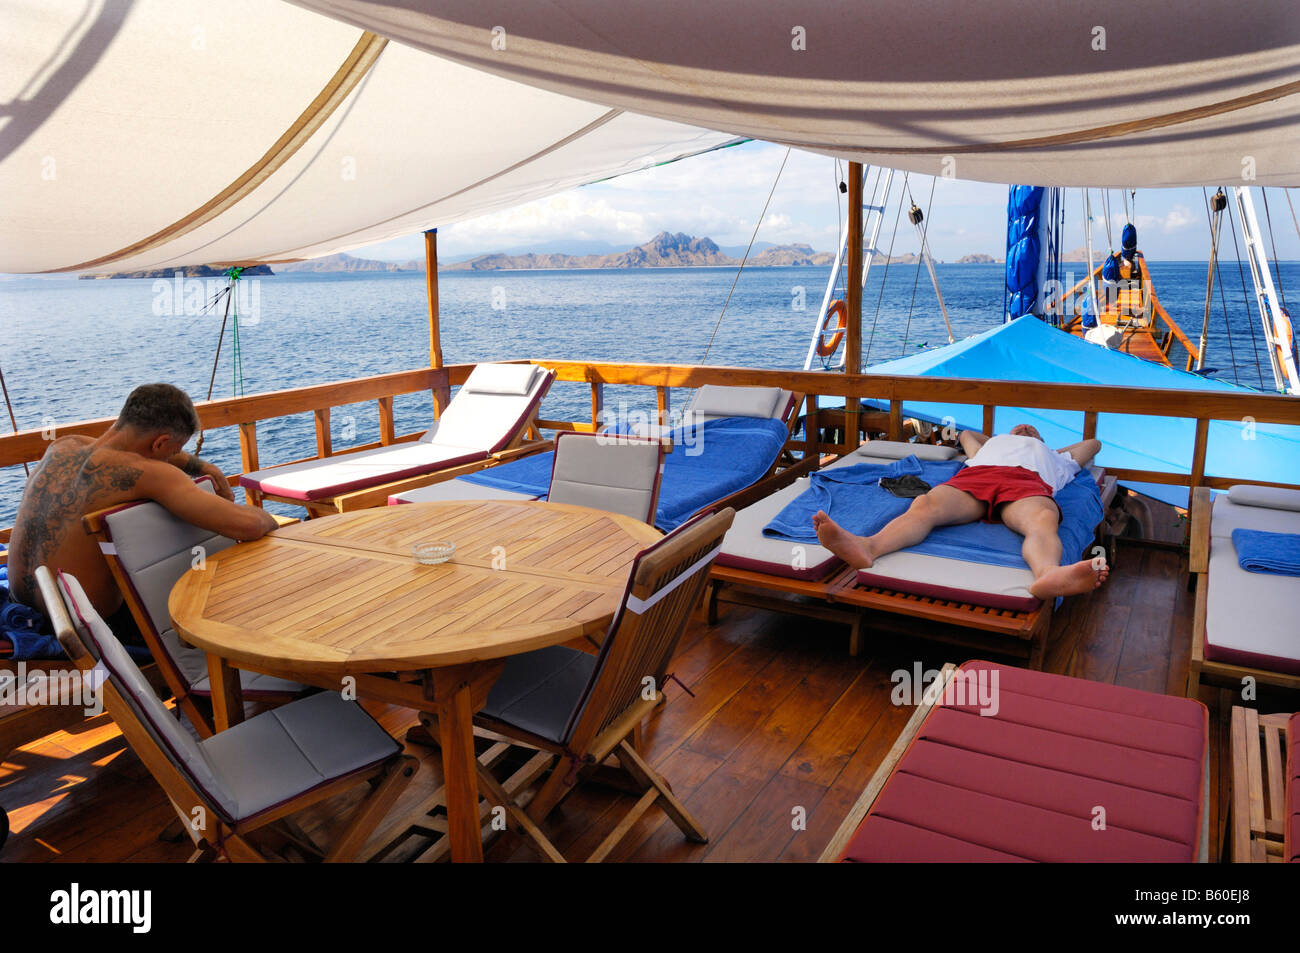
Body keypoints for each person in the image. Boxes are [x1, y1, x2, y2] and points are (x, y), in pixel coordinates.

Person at [4, 383, 278, 652]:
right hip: (90, 627)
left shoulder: (63, 446)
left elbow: (147, 452)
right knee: (229, 596)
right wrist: (270, 519)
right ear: (160, 443)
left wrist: (204, 467)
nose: (173, 457)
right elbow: (249, 525)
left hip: (24, 601)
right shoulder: (150, 474)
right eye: (172, 450)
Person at [813, 424, 1108, 599]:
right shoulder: (987, 448)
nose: (1025, 428)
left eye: (1032, 429)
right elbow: (966, 433)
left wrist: (1041, 445)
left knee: (1043, 520)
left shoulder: (1059, 459)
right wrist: (1006, 438)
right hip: (978, 476)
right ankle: (867, 546)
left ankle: (1048, 573)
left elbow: (1093, 444)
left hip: (1026, 481)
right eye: (1019, 427)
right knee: (925, 505)